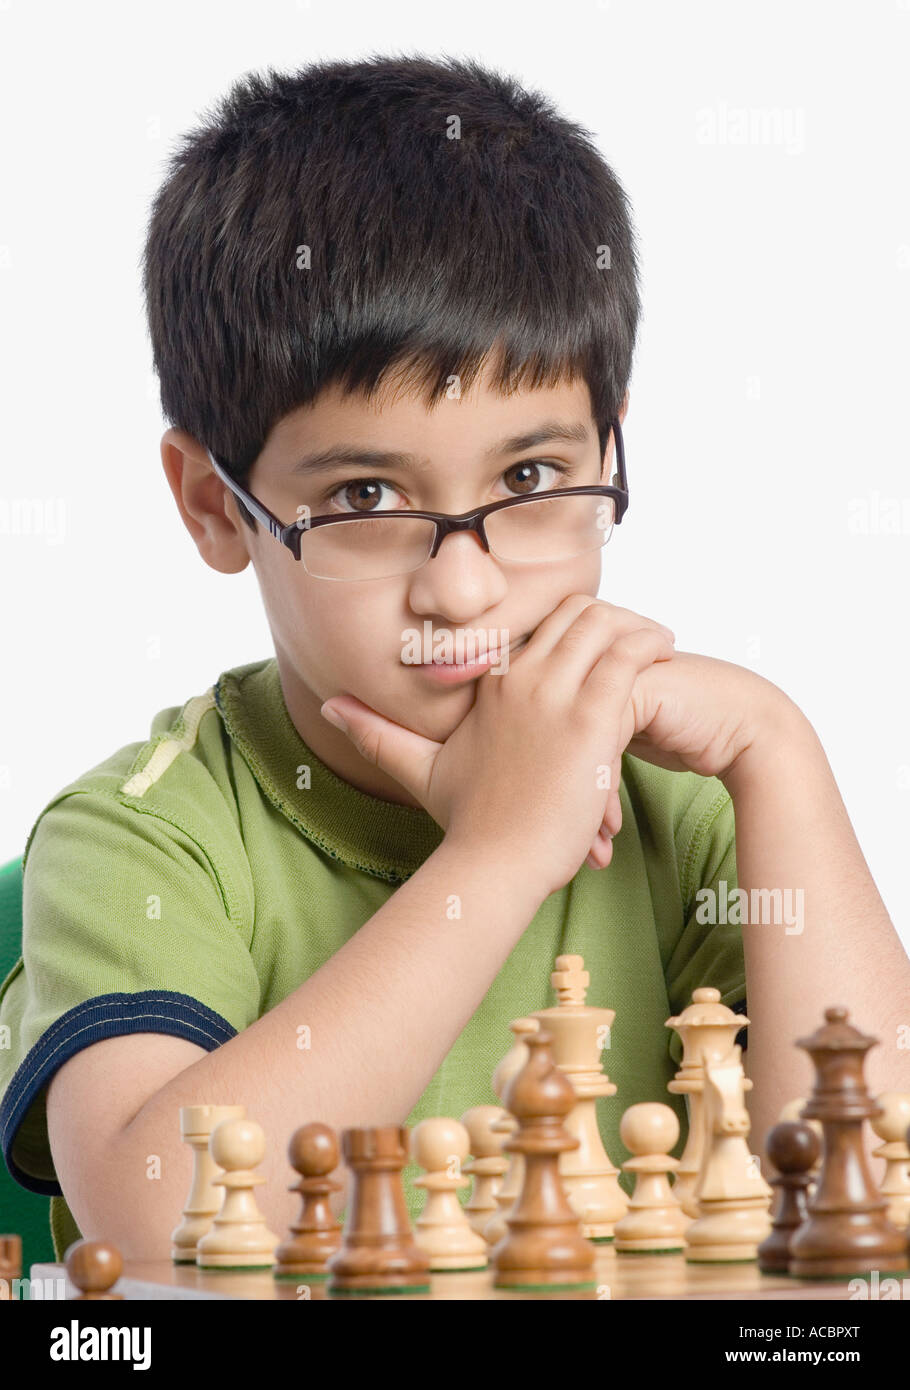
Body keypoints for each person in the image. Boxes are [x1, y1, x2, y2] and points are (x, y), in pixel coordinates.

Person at [2, 55, 907, 1262]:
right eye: (366, 492)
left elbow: (870, 1193)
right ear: (215, 507)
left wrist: (778, 752)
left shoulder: (682, 805)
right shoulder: (143, 838)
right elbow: (165, 1224)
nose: (465, 583)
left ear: (610, 448)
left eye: (530, 479)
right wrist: (500, 851)